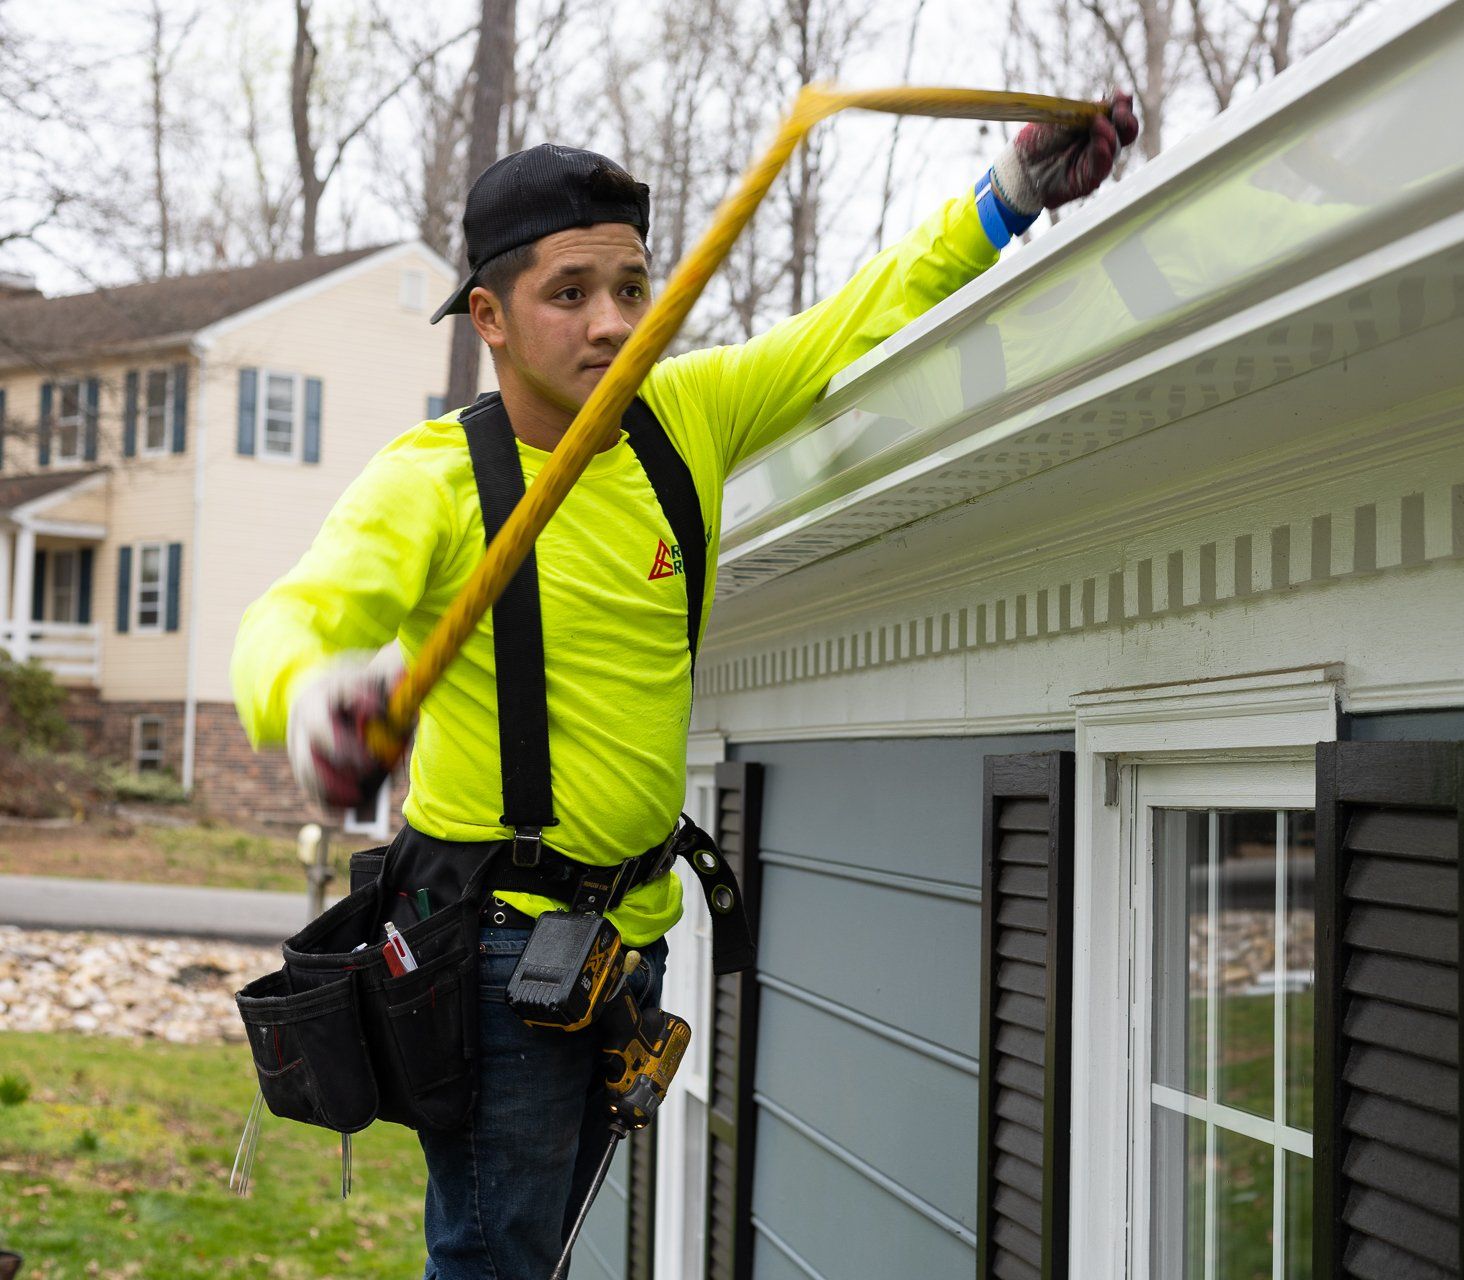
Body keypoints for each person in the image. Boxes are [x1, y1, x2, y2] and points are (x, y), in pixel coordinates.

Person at [230, 94, 1138, 1278]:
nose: (613, 323)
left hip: (631, 936)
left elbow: (852, 321)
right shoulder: (436, 483)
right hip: (498, 951)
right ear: (491, 318)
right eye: (570, 293)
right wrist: (309, 701)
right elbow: (286, 622)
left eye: (632, 286)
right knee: (494, 1259)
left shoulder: (685, 422)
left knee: (539, 1250)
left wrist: (1008, 201)